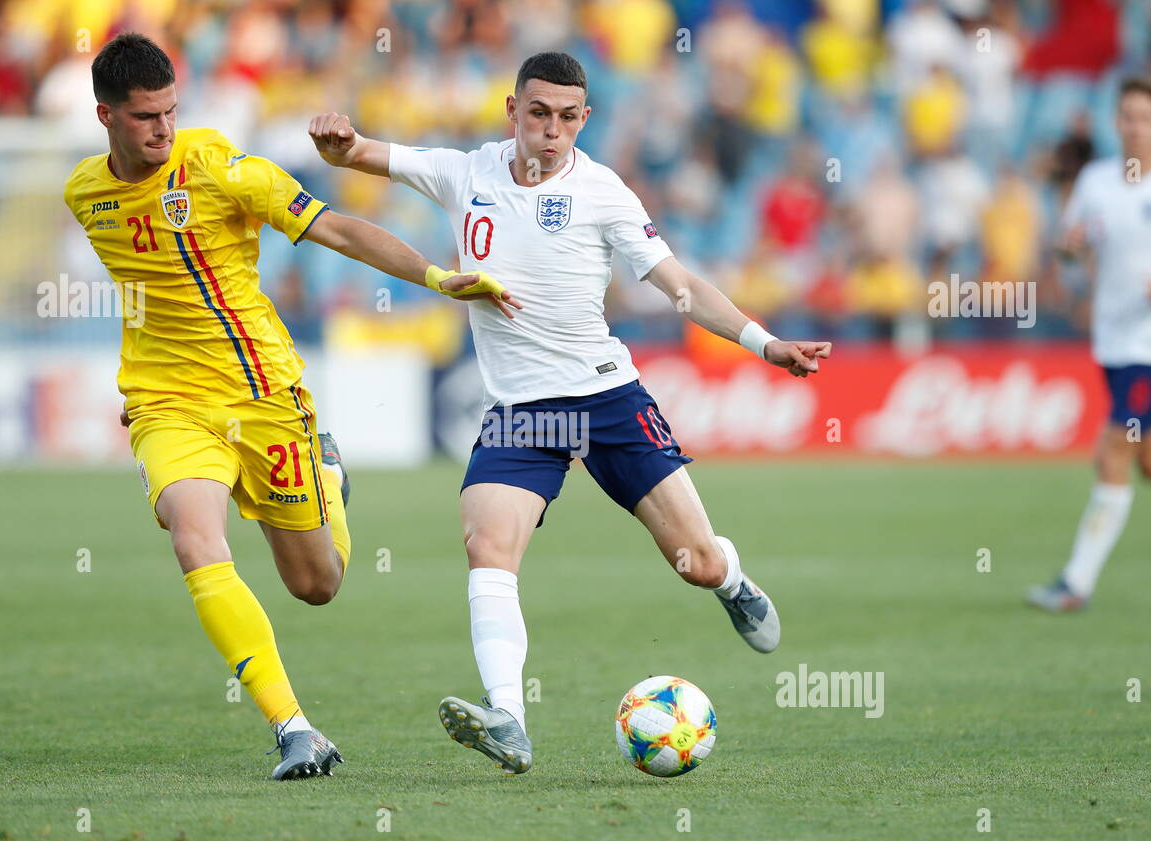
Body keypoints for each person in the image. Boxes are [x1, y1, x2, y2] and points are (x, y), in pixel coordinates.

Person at [310, 51, 831, 774]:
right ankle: (509, 717)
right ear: (512, 112)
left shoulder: (605, 193)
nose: (550, 130)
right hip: (521, 411)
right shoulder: (468, 173)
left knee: (696, 562)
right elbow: (371, 154)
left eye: (566, 117)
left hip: (606, 397)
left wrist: (762, 342)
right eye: (537, 114)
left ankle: (733, 581)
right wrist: (340, 145)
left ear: (584, 119)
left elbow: (678, 284)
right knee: (487, 546)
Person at [63, 33, 518, 778]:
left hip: (264, 396)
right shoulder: (85, 193)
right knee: (193, 540)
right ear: (106, 117)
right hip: (169, 406)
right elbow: (147, 290)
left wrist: (440, 276)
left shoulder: (217, 165)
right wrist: (147, 388)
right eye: (146, 117)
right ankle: (295, 729)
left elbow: (336, 227)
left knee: (317, 584)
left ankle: (327, 475)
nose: (164, 130)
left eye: (171, 112)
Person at [1028, 77, 1151, 612]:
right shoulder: (1095, 181)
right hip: (1113, 341)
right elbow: (1073, 247)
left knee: (1114, 450)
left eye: (1145, 116)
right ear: (1115, 122)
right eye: (1127, 116)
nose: (1135, 126)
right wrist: (1070, 249)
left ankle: (1076, 583)